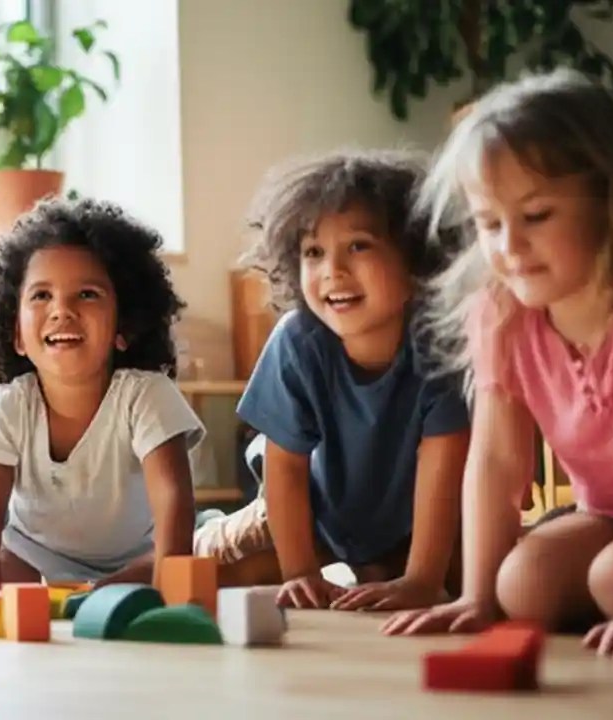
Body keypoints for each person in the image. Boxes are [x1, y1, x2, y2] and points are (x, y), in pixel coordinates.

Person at [382, 68, 613, 659]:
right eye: (489, 223)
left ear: (611, 199)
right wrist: (474, 597)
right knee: (519, 585)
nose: (508, 246)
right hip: (610, 514)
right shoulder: (504, 315)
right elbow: (497, 461)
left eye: (537, 215)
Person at [194, 148, 471, 611]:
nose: (332, 271)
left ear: (417, 259)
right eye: (313, 253)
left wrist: (422, 579)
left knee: (465, 583)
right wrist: (299, 572)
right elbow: (285, 469)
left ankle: (374, 566)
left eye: (358, 246)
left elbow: (444, 467)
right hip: (304, 510)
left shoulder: (441, 346)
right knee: (214, 571)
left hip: (403, 519)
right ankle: (208, 532)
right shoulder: (298, 342)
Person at [0, 197, 205, 590]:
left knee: (202, 561)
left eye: (87, 294)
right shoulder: (10, 404)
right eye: (42, 296)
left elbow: (174, 498)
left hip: (132, 558)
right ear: (16, 333)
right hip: (32, 551)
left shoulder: (146, 396)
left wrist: (170, 585)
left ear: (125, 324)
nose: (62, 310)